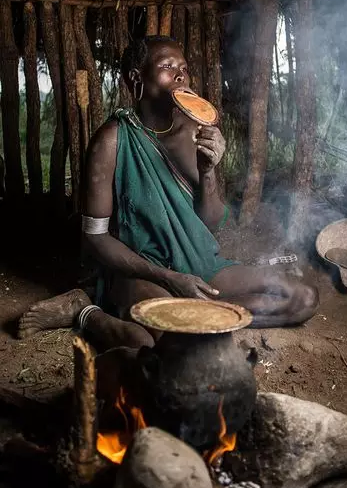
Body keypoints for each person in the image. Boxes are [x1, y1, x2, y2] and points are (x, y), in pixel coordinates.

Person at [18, 36, 318, 350]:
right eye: (167, 66)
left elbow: (212, 222)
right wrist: (168, 278)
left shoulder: (195, 133)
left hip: (198, 264)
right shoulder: (111, 140)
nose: (180, 74)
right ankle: (88, 313)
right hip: (142, 271)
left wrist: (208, 170)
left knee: (303, 299)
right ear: (137, 78)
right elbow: (95, 237)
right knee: (158, 344)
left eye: (184, 68)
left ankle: (197, 317)